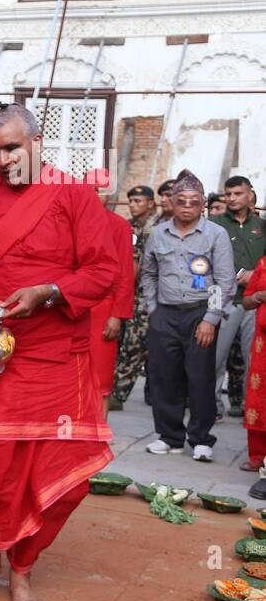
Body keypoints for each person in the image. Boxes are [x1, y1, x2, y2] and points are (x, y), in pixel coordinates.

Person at [0, 102, 119, 601]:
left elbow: (104, 271)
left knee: (51, 469)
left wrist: (51, 290)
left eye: (12, 147)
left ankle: (21, 565)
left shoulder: (75, 196)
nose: (3, 159)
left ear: (37, 143)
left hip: (55, 355)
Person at [141, 171, 234, 461]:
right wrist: (153, 308)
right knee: (164, 377)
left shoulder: (215, 234)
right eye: (180, 200)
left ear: (202, 204)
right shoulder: (158, 233)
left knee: (201, 377)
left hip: (199, 314)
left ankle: (201, 439)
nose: (186, 206)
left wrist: (211, 319)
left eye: (193, 202)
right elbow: (149, 273)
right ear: (171, 201)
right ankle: (169, 437)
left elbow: (225, 279)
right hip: (165, 315)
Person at [210, 175, 263, 418]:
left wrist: (254, 274)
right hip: (223, 298)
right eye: (228, 194)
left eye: (237, 193)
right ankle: (212, 407)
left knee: (254, 358)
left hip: (255, 302)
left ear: (249, 194)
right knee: (216, 356)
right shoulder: (215, 224)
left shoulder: (261, 226)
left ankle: (249, 407)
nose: (232, 198)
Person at [109, 185, 161, 410]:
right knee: (124, 343)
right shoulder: (127, 227)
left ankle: (119, 394)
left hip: (149, 295)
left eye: (138, 201)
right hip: (126, 292)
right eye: (130, 201)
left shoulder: (160, 228)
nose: (132, 205)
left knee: (135, 344)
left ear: (151, 203)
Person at [87, 174, 135, 416]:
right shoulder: (68, 220)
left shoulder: (119, 226)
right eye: (91, 190)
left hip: (103, 308)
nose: (96, 196)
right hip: (71, 307)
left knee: (100, 373)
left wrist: (117, 315)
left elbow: (126, 273)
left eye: (101, 191)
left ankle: (98, 428)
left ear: (112, 197)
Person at [240, 257, 266, 473]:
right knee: (257, 398)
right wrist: (259, 296)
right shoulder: (264, 264)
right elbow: (246, 301)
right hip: (262, 344)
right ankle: (257, 455)